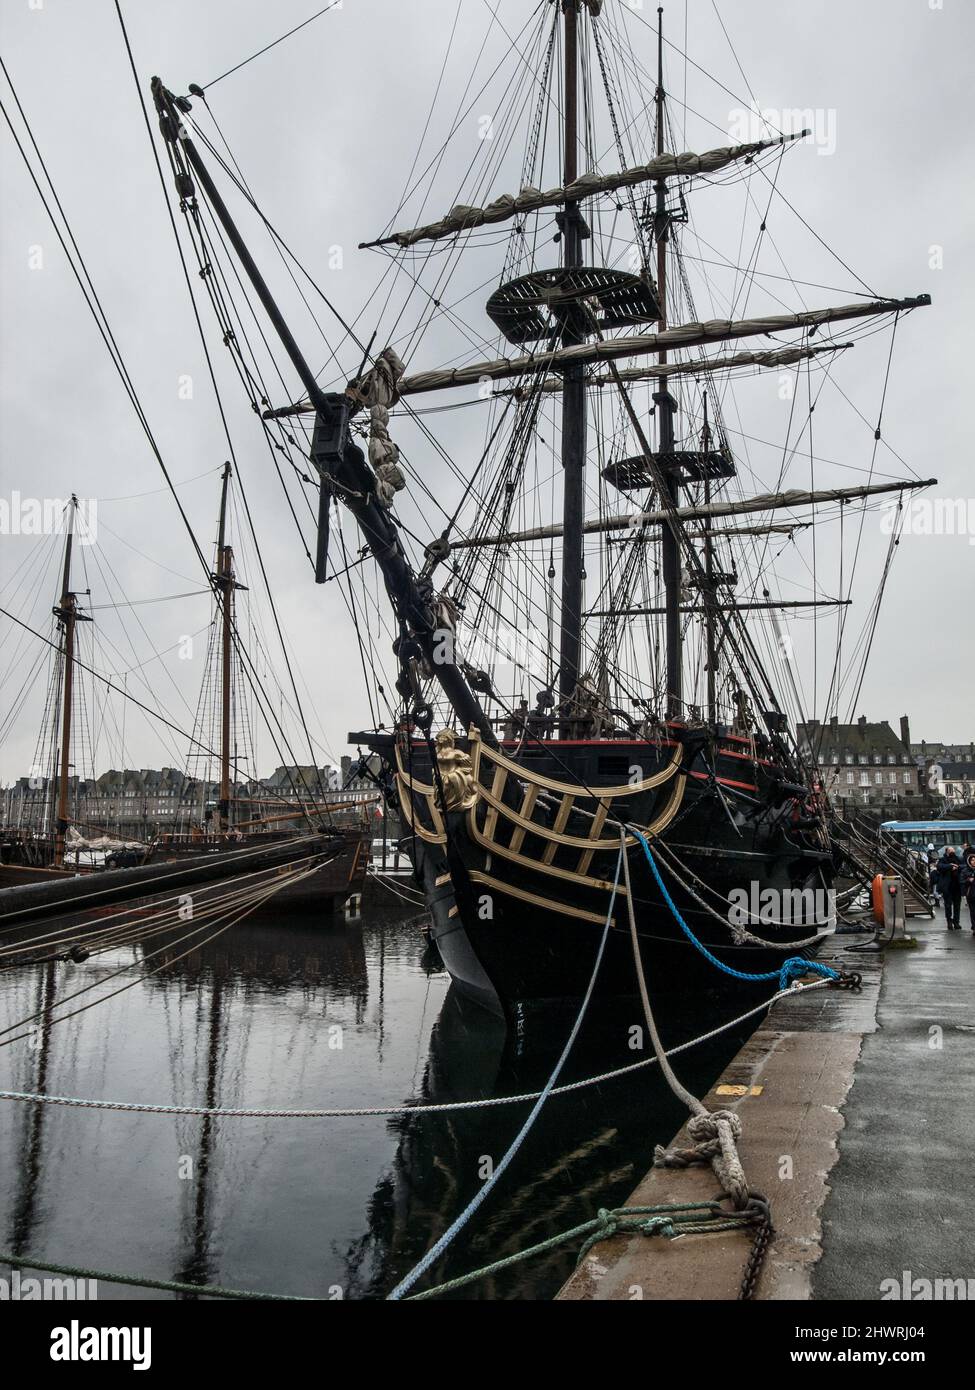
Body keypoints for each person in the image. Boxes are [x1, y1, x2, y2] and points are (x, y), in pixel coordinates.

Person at [937, 846, 963, 929]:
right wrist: (950, 866)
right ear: (947, 852)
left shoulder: (958, 859)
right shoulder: (943, 859)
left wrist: (957, 867)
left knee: (957, 906)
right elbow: (940, 867)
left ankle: (956, 922)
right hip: (947, 887)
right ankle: (949, 921)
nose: (952, 852)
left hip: (957, 887)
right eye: (950, 851)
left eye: (953, 851)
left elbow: (964, 865)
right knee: (948, 905)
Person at [961, 852, 975, 934]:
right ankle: (974, 927)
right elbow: (961, 881)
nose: (974, 862)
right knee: (973, 912)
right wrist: (968, 880)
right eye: (972, 860)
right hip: (971, 894)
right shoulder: (965, 870)